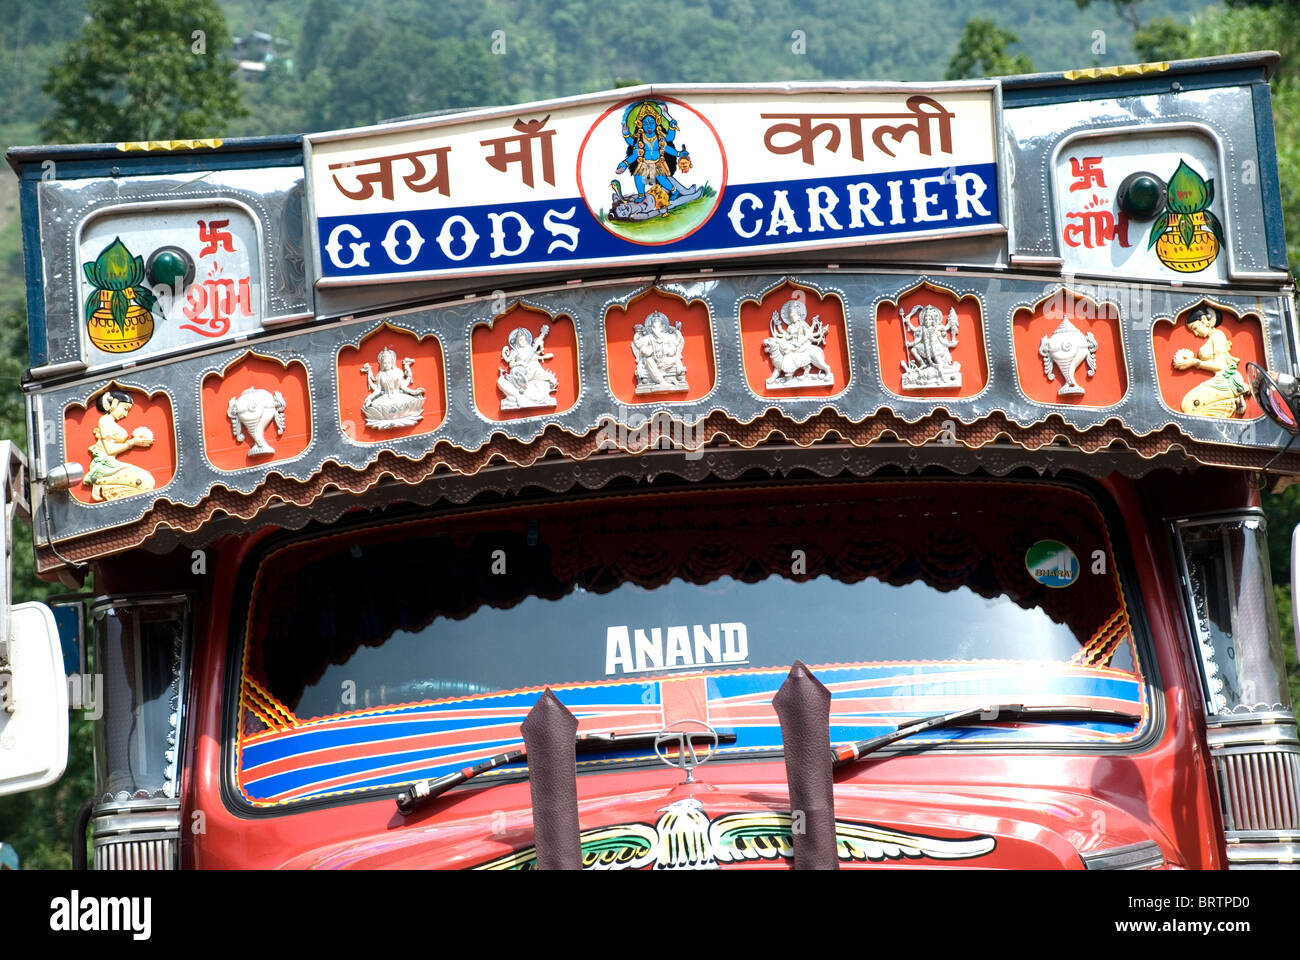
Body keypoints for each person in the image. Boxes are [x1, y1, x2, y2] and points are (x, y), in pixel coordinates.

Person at [1173, 307, 1249, 417]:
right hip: (1219, 380)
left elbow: (1220, 366)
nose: (1195, 333)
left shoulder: (1218, 335)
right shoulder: (1211, 338)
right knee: (1189, 406)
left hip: (1224, 381)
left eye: (1195, 327)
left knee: (1191, 405)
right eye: (1192, 331)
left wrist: (1194, 363)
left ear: (1204, 320)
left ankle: (1236, 399)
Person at [84, 389, 155, 500]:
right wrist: (133, 443)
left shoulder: (110, 422)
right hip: (106, 467)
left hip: (112, 464)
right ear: (115, 403)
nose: (125, 414)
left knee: (149, 481)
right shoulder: (104, 421)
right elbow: (110, 450)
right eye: (125, 409)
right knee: (144, 482)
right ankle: (104, 486)